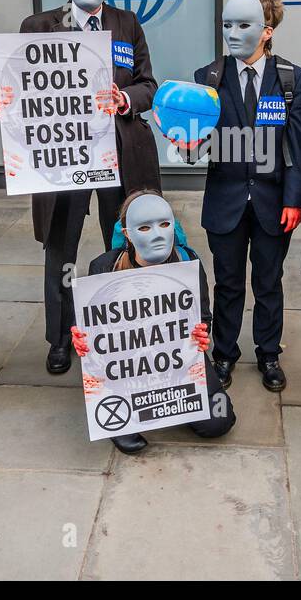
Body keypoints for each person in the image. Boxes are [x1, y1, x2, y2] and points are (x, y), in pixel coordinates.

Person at [9, 0, 160, 377]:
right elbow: (20, 89)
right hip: (63, 159)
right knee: (62, 250)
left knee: (126, 242)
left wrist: (126, 98)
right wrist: (10, 102)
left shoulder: (127, 23)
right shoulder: (37, 26)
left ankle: (127, 329)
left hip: (120, 154)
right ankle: (60, 339)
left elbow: (148, 84)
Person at [185, 0, 301, 393]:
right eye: (227, 25)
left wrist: (296, 199)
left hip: (275, 202)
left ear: (266, 30)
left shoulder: (291, 79)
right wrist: (186, 144)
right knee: (229, 281)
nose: (232, 33)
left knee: (269, 281)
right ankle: (223, 354)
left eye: (243, 25)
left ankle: (269, 353)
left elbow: (295, 145)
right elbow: (196, 144)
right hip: (226, 200)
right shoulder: (208, 77)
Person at [71, 190, 236, 455]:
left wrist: (201, 334)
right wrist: (80, 338)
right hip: (125, 367)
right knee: (114, 411)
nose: (158, 234)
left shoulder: (188, 262)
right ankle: (135, 412)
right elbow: (90, 327)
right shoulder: (103, 268)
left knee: (218, 421)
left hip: (177, 359)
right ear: (127, 233)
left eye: (165, 224)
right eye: (145, 227)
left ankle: (168, 404)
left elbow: (202, 316)